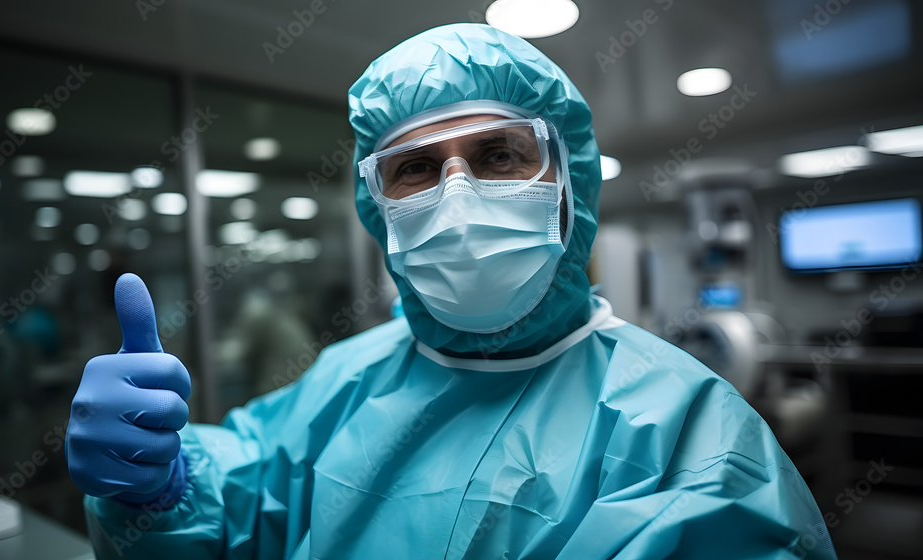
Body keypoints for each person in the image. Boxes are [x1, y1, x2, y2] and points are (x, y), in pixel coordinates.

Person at [65, 23, 837, 559]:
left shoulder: (689, 438)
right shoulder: (342, 383)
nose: (457, 198)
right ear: (378, 209)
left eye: (499, 155)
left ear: (567, 186)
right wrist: (161, 484)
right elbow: (244, 499)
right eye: (417, 168)